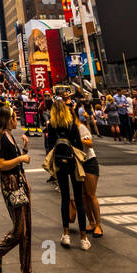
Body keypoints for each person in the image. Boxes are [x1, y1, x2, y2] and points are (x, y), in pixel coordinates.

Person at [0, 106, 43, 273]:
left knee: (27, 231)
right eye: (14, 116)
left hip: (21, 183)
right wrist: (22, 159)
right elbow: (2, 165)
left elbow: (17, 158)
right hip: (11, 185)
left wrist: (24, 149)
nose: (16, 118)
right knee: (20, 230)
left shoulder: (10, 136)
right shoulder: (1, 137)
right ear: (7, 118)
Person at [45, 97, 89, 249]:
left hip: (59, 162)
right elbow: (78, 144)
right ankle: (83, 238)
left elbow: (50, 145)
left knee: (64, 197)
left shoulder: (51, 126)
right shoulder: (72, 125)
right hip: (73, 161)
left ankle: (66, 234)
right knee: (79, 199)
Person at [77, 111, 102, 236]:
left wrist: (77, 140)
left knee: (91, 195)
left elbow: (90, 143)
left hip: (89, 162)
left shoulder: (81, 127)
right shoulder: (68, 129)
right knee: (83, 196)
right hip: (79, 163)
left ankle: (98, 225)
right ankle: (91, 222)